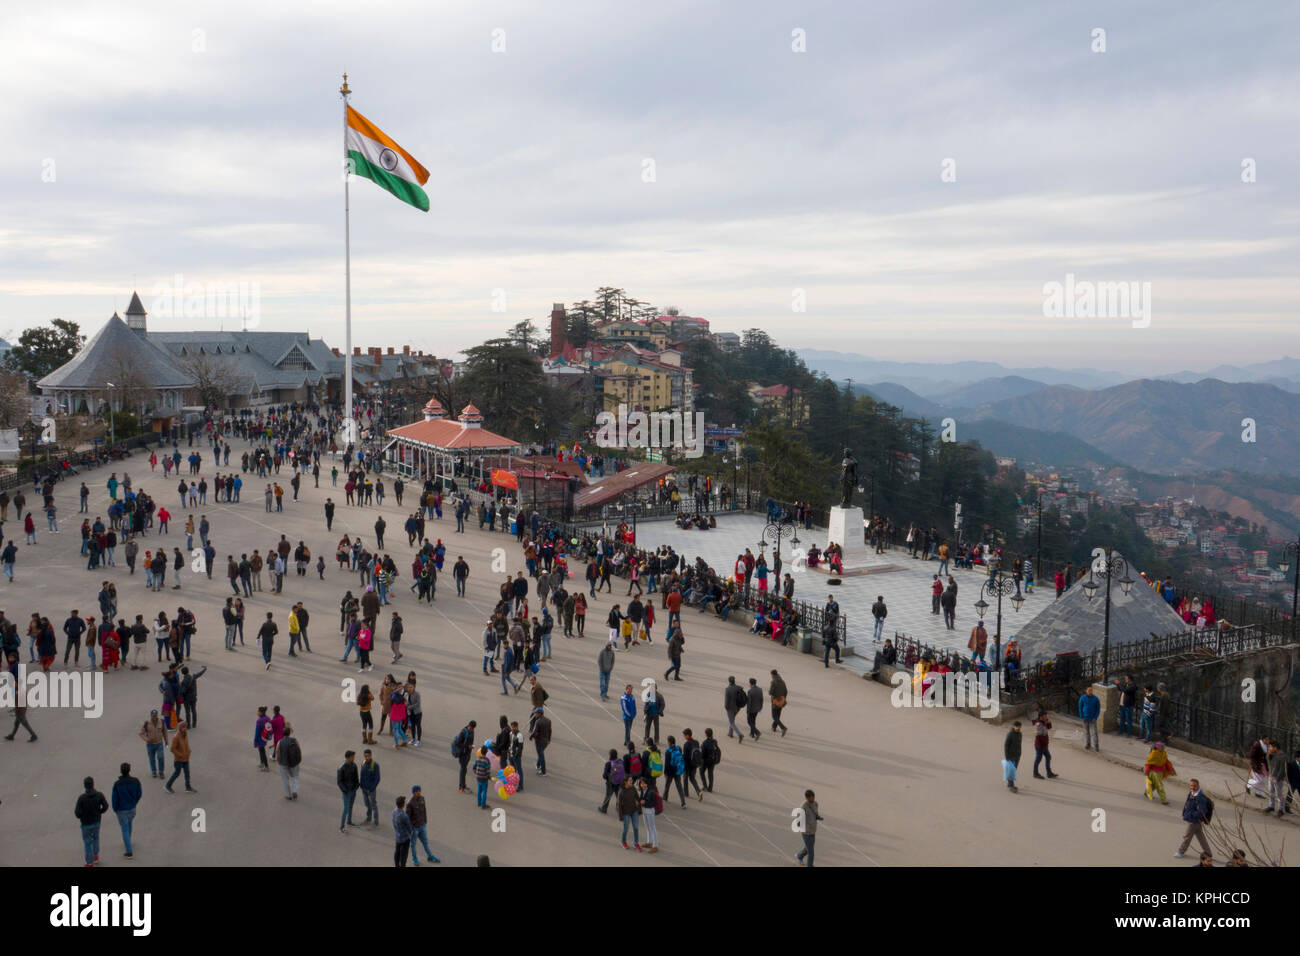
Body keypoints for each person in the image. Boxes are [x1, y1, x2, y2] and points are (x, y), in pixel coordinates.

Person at [74, 776, 110, 867]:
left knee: (87, 842)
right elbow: (105, 806)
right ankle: (96, 856)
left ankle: (89, 863)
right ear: (93, 784)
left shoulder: (81, 798)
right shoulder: (99, 795)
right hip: (96, 821)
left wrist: (82, 815)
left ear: (85, 786)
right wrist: (100, 812)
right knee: (96, 838)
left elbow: (77, 813)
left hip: (86, 824)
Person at [110, 762, 142, 859]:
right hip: (132, 808)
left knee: (124, 828)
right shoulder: (136, 781)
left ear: (121, 771)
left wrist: (115, 809)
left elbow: (114, 798)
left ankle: (129, 851)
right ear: (129, 770)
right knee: (129, 824)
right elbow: (139, 793)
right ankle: (128, 840)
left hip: (122, 809)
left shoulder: (117, 784)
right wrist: (134, 802)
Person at [1175, 779, 1213, 859]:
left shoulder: (1200, 797)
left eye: (1194, 786)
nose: (1192, 787)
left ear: (1198, 786)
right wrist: (1185, 813)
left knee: (1187, 837)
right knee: (1200, 836)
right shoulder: (1192, 793)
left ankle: (1181, 851)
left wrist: (1191, 815)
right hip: (1194, 820)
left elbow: (1202, 811)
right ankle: (1208, 853)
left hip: (1193, 821)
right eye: (1191, 785)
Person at [407, 785, 440, 864]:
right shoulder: (410, 803)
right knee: (413, 845)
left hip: (422, 825)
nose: (419, 792)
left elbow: (424, 810)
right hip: (415, 828)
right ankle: (415, 859)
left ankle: (430, 856)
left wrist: (425, 821)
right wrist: (411, 829)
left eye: (419, 790)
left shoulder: (422, 799)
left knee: (425, 842)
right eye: (417, 791)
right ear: (414, 793)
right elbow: (407, 818)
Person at [164, 720, 196, 793]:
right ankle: (167, 786)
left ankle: (188, 787)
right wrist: (180, 755)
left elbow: (186, 745)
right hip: (178, 760)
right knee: (177, 773)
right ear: (180, 728)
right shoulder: (176, 737)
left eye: (185, 727)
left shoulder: (185, 734)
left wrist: (189, 751)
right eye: (183, 727)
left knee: (187, 773)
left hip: (186, 758)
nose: (185, 728)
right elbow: (172, 749)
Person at [795, 789, 823, 866]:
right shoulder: (803, 807)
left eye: (813, 797)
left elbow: (815, 814)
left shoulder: (815, 804)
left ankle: (799, 856)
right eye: (811, 798)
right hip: (806, 832)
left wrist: (818, 817)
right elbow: (798, 818)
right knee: (811, 852)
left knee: (808, 849)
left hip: (813, 830)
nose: (813, 799)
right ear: (807, 798)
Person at [139, 709, 169, 778]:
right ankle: (154, 771)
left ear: (157, 715)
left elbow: (165, 732)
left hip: (159, 743)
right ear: (151, 716)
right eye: (153, 716)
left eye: (155, 716)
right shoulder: (147, 723)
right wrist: (146, 739)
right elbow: (141, 733)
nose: (154, 717)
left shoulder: (161, 722)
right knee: (152, 759)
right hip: (150, 745)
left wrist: (166, 741)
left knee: (160, 757)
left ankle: (161, 772)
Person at [337, 750, 361, 833]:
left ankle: (349, 821)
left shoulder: (354, 765)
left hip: (353, 790)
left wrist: (356, 787)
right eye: (352, 757)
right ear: (348, 757)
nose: (354, 758)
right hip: (347, 792)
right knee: (346, 809)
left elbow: (356, 777)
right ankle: (341, 827)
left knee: (350, 807)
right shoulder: (341, 768)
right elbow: (339, 781)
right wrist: (345, 790)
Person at [617, 776, 642, 851]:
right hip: (626, 813)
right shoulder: (621, 792)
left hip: (634, 811)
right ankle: (623, 842)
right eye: (630, 781)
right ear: (625, 782)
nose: (632, 782)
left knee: (636, 828)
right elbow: (619, 805)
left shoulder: (633, 788)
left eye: (632, 780)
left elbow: (637, 798)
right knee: (626, 828)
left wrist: (639, 810)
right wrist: (621, 816)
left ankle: (636, 843)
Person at [277, 724, 302, 800]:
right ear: (289, 733)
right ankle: (294, 790)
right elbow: (299, 750)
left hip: (283, 763)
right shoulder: (294, 740)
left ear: (283, 733)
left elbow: (278, 753)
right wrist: (299, 759)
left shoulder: (280, 742)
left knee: (285, 779)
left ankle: (288, 795)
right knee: (296, 776)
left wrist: (279, 762)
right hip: (294, 763)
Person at [1031, 710, 1058, 779]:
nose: (1046, 717)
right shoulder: (1039, 724)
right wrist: (1044, 744)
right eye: (1045, 716)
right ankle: (1035, 773)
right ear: (1041, 717)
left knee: (1048, 757)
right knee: (1038, 759)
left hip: (1044, 745)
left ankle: (1049, 773)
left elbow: (1049, 727)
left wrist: (1048, 722)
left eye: (1046, 716)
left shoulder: (1043, 722)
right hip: (1040, 746)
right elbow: (1039, 736)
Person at [359, 749, 381, 824]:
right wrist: (361, 785)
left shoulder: (375, 765)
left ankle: (376, 821)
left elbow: (377, 778)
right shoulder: (363, 763)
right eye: (365, 756)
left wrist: (372, 788)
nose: (367, 757)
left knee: (373, 805)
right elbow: (361, 775)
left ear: (371, 755)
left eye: (368, 756)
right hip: (364, 788)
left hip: (371, 790)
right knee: (367, 804)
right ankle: (368, 818)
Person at [454, 721, 476, 793]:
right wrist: (467, 747)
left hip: (467, 754)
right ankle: (461, 787)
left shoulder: (472, 732)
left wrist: (470, 747)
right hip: (462, 754)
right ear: (468, 726)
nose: (471, 729)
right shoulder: (463, 733)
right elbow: (458, 743)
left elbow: (471, 742)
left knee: (464, 770)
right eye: (470, 728)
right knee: (463, 770)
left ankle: (463, 785)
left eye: (472, 729)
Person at [392, 795, 413, 867]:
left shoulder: (394, 812)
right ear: (403, 805)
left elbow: (393, 823)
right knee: (404, 854)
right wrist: (411, 833)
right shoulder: (404, 815)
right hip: (405, 838)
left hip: (398, 836)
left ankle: (396, 865)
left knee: (397, 852)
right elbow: (409, 827)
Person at [1078, 686, 1101, 751]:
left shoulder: (1096, 699)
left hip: (1093, 718)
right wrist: (1082, 716)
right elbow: (1080, 707)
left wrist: (1095, 717)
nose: (1089, 692)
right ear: (1086, 691)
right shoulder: (1082, 698)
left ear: (1092, 691)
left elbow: (1098, 709)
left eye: (1091, 691)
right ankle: (1088, 744)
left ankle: (1096, 745)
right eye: (1088, 691)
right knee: (1087, 732)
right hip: (1085, 718)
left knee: (1095, 732)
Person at [724, 676, 747, 742]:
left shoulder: (727, 689)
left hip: (731, 708)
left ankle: (739, 734)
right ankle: (730, 733)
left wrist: (726, 707)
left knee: (731, 722)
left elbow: (726, 700)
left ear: (729, 681)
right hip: (738, 707)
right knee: (732, 720)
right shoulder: (739, 687)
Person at [769, 669, 789, 736]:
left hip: (775, 700)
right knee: (778, 714)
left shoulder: (773, 682)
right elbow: (786, 691)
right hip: (782, 699)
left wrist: (771, 692)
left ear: (772, 674)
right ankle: (774, 727)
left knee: (774, 716)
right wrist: (783, 698)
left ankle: (783, 728)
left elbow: (771, 692)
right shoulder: (782, 681)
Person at [1003, 721, 1022, 793]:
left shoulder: (1020, 734)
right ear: (1013, 726)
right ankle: (1011, 785)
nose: (1018, 728)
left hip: (1017, 755)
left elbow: (1019, 744)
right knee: (1012, 770)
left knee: (1014, 769)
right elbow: (1006, 745)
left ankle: (1009, 783)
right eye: (1016, 726)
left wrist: (1020, 753)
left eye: (1019, 726)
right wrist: (1007, 756)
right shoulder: (1010, 734)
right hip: (1011, 755)